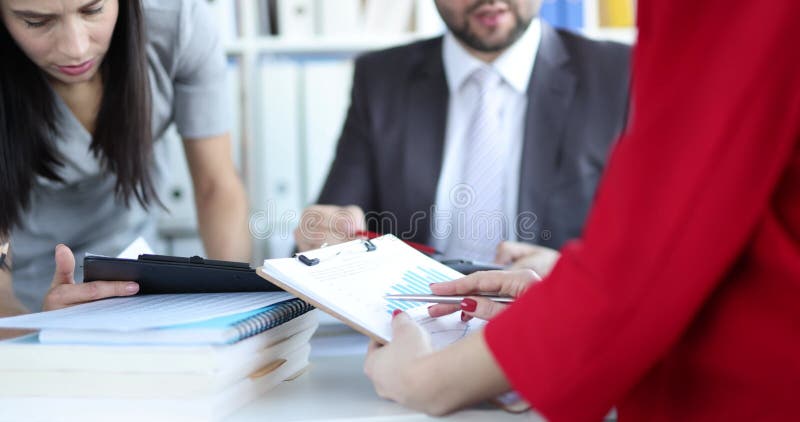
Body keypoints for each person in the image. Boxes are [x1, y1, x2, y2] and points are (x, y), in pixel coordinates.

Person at [363, 0, 800, 419]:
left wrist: (428, 380)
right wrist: (550, 309)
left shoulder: (613, 65)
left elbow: (655, 248)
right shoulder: (384, 76)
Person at [294, 0, 630, 268]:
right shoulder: (381, 79)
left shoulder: (618, 74)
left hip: (557, 323)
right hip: (415, 326)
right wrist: (323, 236)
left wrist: (568, 271)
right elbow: (324, 234)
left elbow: (651, 244)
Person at [0, 0, 250, 316]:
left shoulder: (177, 23)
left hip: (135, 286)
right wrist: (30, 328)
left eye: (92, 11)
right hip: (22, 291)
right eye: (36, 21)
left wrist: (240, 307)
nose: (75, 49)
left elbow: (216, 186)